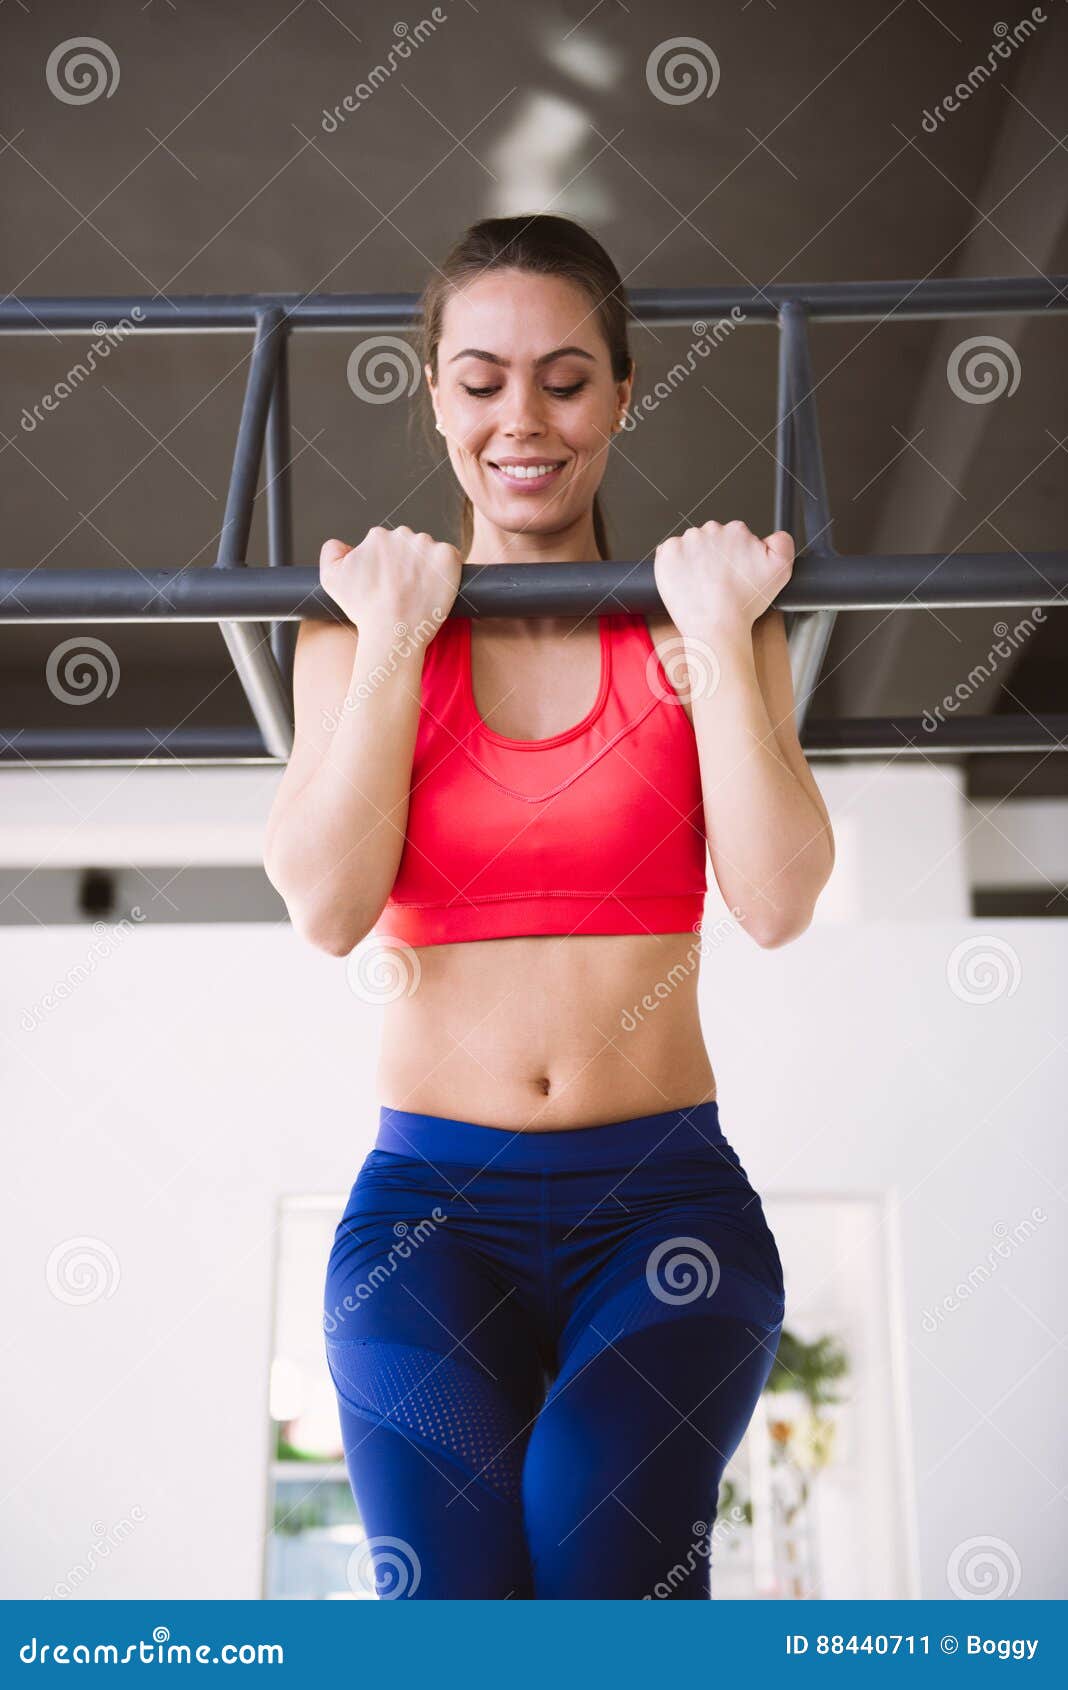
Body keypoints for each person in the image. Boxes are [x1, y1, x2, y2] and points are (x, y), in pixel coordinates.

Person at [264, 214, 835, 1599]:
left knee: (598, 1529)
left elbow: (775, 898)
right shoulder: (353, 629)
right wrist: (399, 632)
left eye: (567, 377)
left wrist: (709, 630)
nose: (523, 417)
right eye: (481, 379)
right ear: (437, 395)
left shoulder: (707, 624)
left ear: (624, 393)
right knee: (451, 1597)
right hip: (427, 1216)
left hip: (661, 1208)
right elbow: (330, 906)